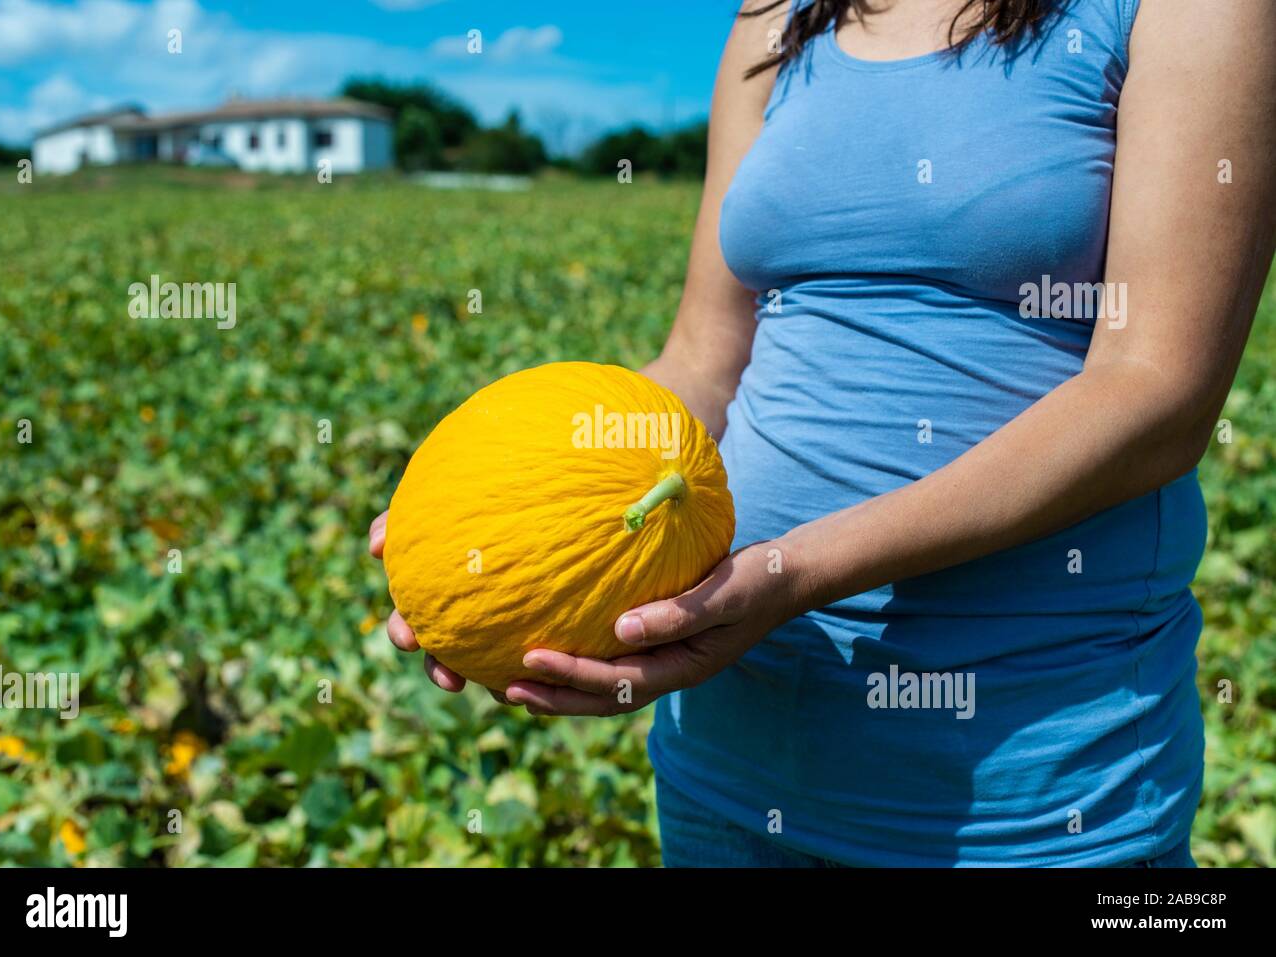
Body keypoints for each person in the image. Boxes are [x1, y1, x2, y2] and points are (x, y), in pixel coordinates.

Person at [368, 0, 1276, 866]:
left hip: (1032, 804)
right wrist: (497, 509)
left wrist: (797, 570)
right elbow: (703, 360)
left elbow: (1158, 391)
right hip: (730, 770)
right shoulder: (780, 13)